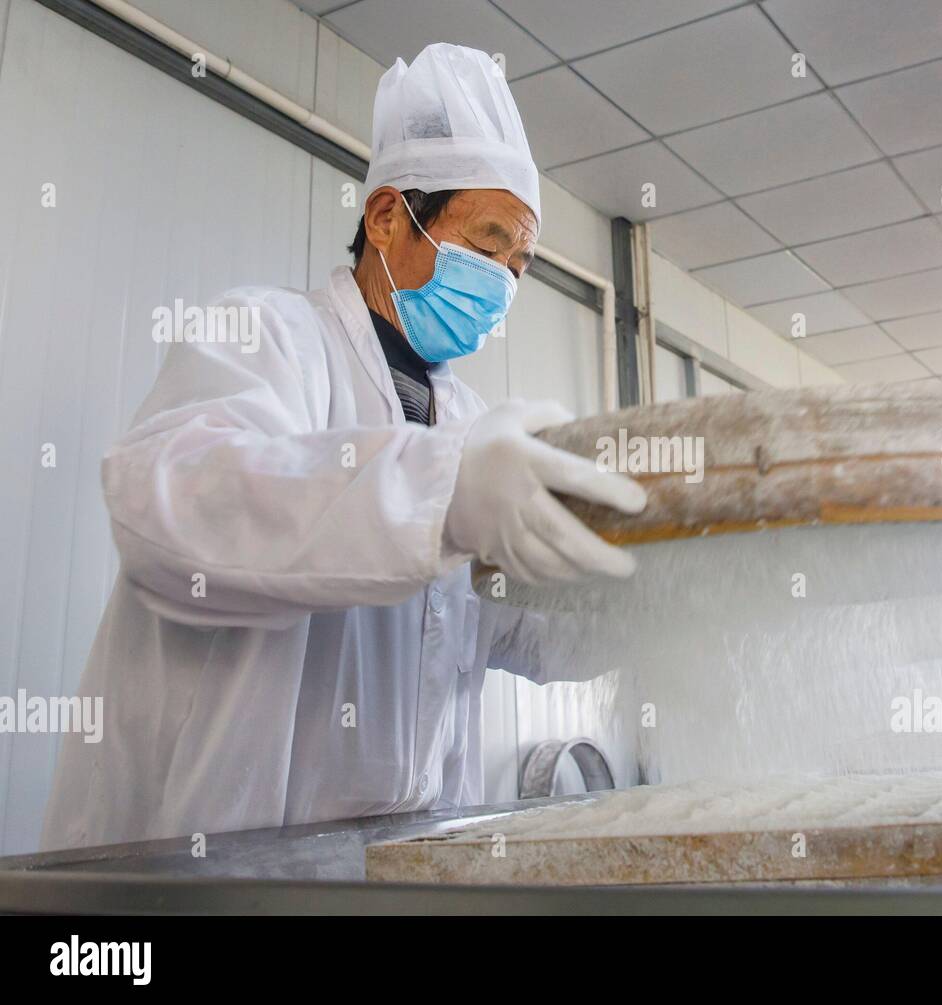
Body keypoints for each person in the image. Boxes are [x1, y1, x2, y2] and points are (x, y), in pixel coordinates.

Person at [40, 43, 645, 850]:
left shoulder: (463, 424)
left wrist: (663, 604)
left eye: (520, 261)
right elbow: (175, 511)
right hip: (194, 869)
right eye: (488, 240)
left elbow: (508, 627)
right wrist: (443, 497)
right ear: (387, 216)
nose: (503, 277)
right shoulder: (265, 337)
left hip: (389, 869)